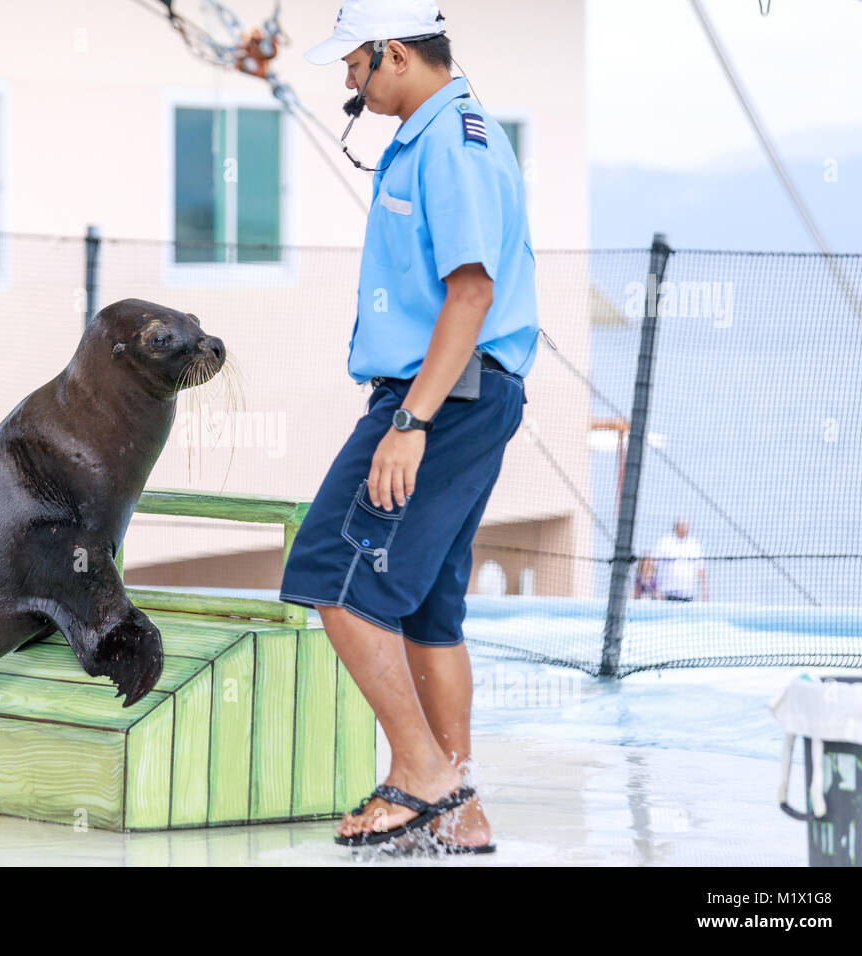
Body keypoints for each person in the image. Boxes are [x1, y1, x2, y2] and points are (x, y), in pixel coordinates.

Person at [278, 0, 539, 850]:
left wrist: (411, 421)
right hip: (469, 393)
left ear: (392, 53)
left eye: (354, 65)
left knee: (330, 574)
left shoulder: (451, 146)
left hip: (441, 395)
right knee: (428, 604)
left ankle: (420, 770)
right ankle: (458, 806)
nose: (349, 84)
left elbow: (471, 293)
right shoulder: (439, 135)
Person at [651, 519, 708, 602]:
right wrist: (654, 590)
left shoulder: (694, 545)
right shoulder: (665, 543)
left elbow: (701, 570)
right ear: (676, 527)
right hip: (666, 594)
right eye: (681, 525)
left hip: (688, 595)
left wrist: (705, 593)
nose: (684, 528)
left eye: (685, 526)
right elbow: (652, 565)